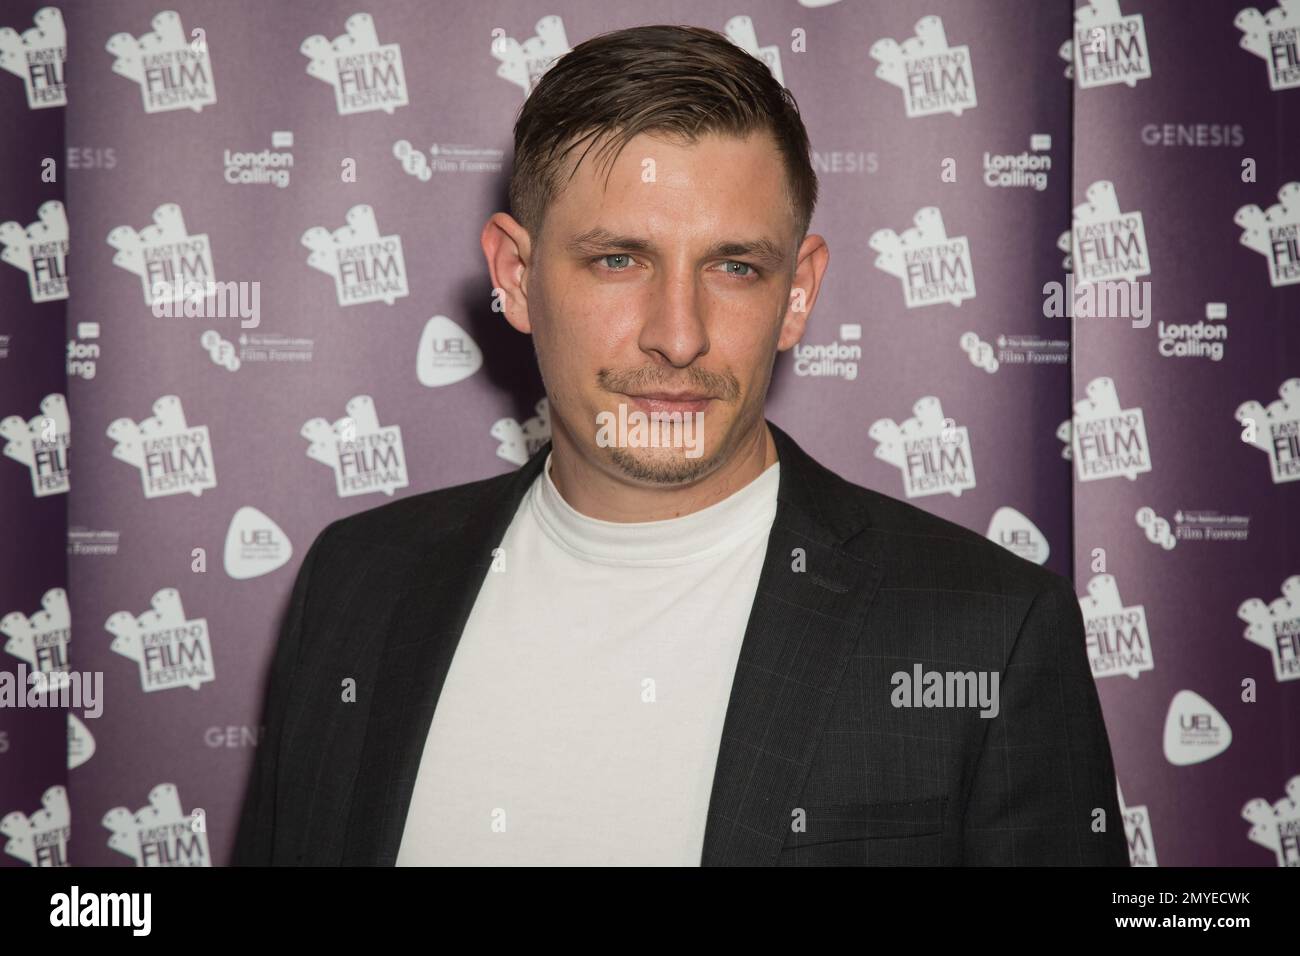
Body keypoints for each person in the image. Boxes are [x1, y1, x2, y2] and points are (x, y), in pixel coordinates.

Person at [233, 23, 1127, 866]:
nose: (679, 335)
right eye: (619, 259)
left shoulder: (985, 631)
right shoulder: (358, 583)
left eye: (734, 267)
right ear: (516, 276)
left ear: (799, 291)